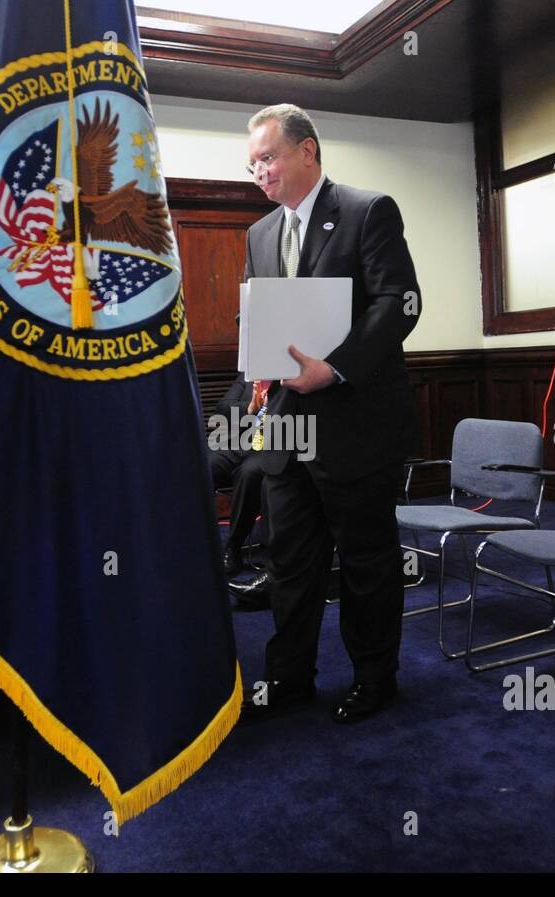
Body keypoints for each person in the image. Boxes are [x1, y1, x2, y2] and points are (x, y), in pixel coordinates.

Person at [239, 104, 420, 725]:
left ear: (308, 152)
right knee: (289, 561)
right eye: (253, 164)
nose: (260, 172)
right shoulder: (259, 235)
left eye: (269, 157)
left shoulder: (369, 211)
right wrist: (259, 365)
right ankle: (289, 677)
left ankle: (376, 679)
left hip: (355, 424)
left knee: (367, 563)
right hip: (288, 428)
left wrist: (335, 366)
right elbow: (258, 314)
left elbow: (400, 303)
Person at [208, 371, 267, 577]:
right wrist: (250, 408)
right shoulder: (250, 374)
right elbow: (223, 408)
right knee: (206, 465)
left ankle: (233, 547)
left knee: (249, 474)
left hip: (275, 447)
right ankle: (194, 542)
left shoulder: (294, 377)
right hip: (241, 443)